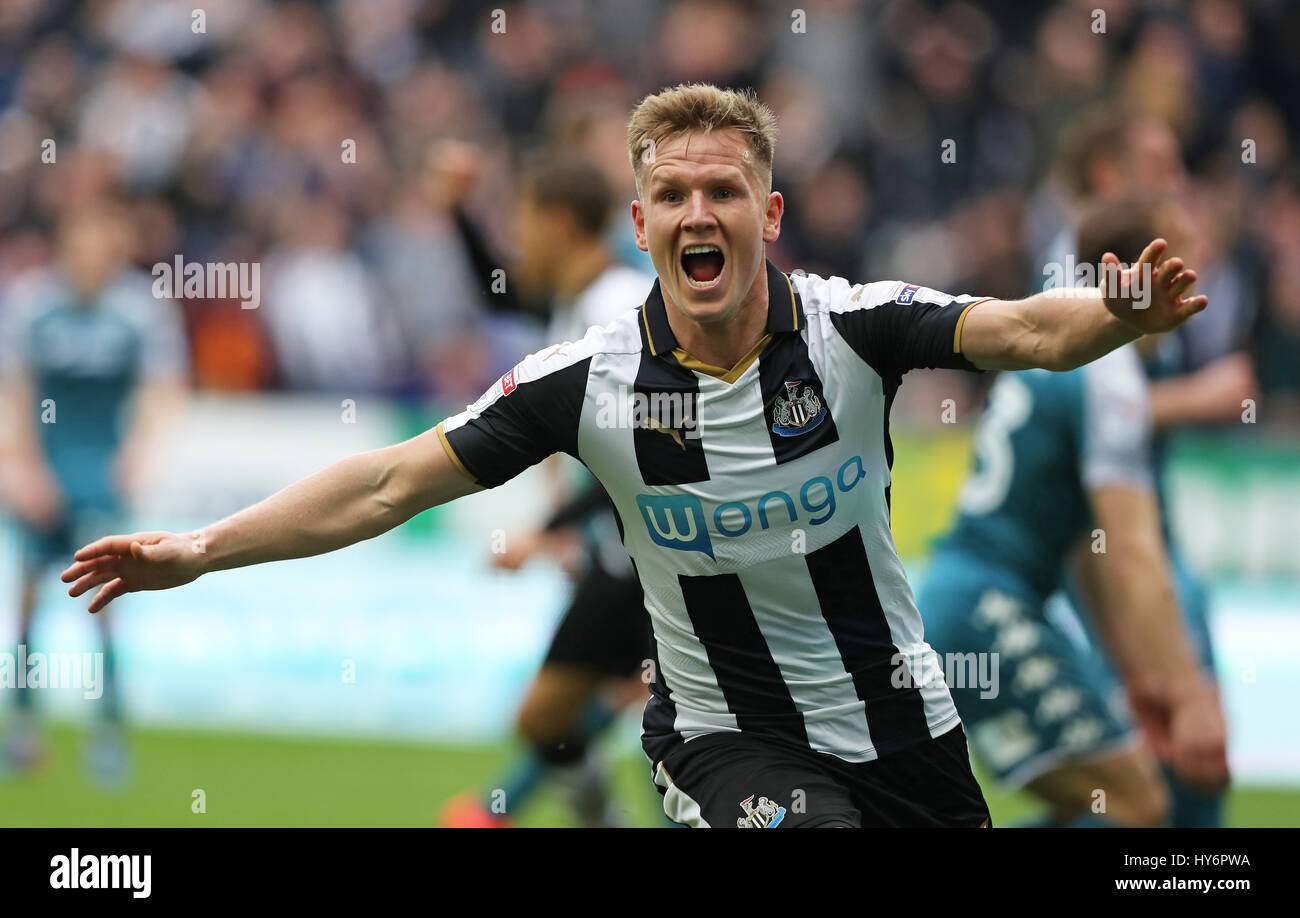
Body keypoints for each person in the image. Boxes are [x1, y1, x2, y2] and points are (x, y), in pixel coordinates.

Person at [60, 83, 1209, 828]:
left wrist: (1116, 317)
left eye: (722, 190)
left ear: (767, 216)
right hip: (723, 744)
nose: (696, 212)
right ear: (642, 218)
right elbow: (384, 481)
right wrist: (203, 548)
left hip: (904, 726)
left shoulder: (857, 327)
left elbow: (1019, 328)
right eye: (672, 194)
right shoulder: (587, 381)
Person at [916, 198, 1230, 826]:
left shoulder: (1084, 356)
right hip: (986, 610)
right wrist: (1190, 694)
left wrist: (1136, 672)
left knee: (1104, 800)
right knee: (1138, 803)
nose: (1207, 260)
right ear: (1158, 266)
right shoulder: (1110, 375)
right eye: (1191, 246)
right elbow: (1134, 552)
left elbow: (1090, 552)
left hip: (969, 604)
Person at [430, 148, 656, 827]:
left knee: (647, 730)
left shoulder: (616, 308)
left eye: (523, 222)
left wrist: (548, 529)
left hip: (650, 546)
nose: (517, 243)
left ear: (558, 225)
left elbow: (644, 452)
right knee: (570, 718)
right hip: (618, 543)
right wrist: (458, 214)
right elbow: (498, 291)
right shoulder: (578, 301)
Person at [0, 201, 188, 783]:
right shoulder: (33, 304)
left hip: (100, 473)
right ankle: (25, 729)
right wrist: (20, 467)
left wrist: (138, 453)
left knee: (105, 602)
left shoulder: (137, 311)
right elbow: (14, 390)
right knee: (30, 597)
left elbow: (162, 387)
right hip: (44, 472)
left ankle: (108, 730)